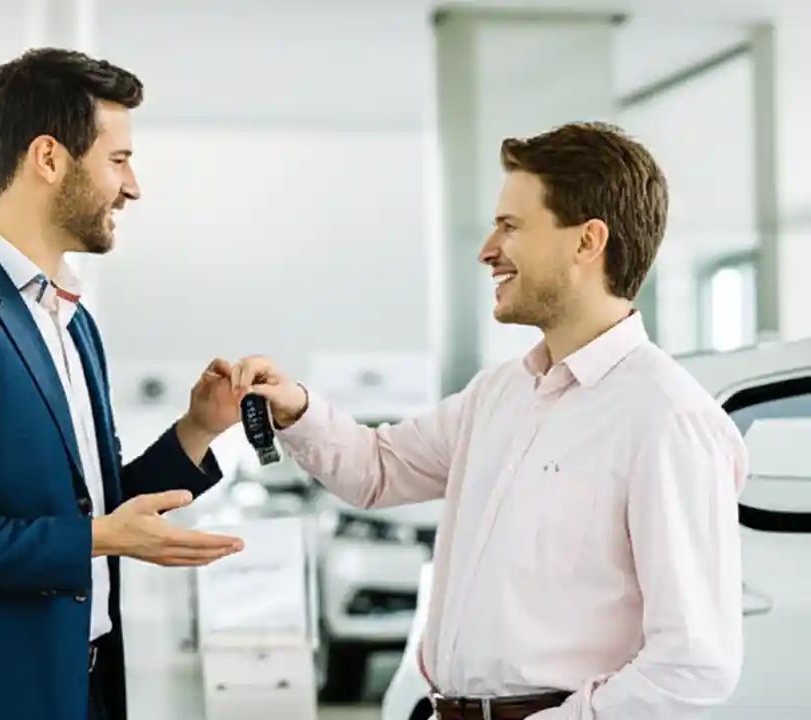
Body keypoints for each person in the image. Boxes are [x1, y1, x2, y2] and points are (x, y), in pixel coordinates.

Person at [231, 122, 747, 719]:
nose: (487, 249)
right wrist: (295, 406)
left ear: (587, 241)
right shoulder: (501, 394)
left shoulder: (668, 418)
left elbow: (694, 662)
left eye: (510, 226)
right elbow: (377, 469)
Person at [0, 47, 245, 720]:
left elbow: (90, 504)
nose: (133, 187)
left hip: (79, 682)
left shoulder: (71, 321)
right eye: (118, 160)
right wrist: (100, 538)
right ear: (48, 158)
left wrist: (199, 428)